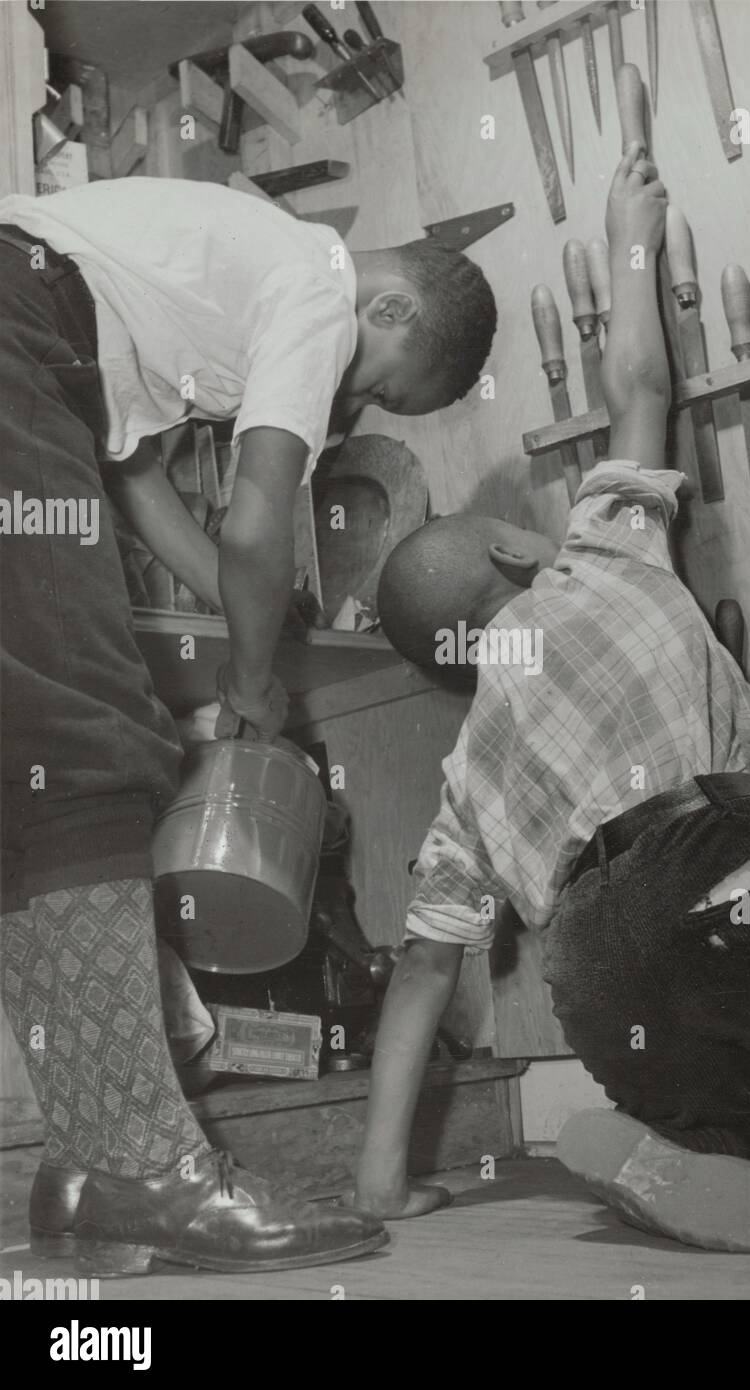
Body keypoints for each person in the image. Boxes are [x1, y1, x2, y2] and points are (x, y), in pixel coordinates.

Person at [349, 146, 750, 1297]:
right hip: (725, 868)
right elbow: (641, 384)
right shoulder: (596, 558)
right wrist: (626, 233)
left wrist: (382, 1181)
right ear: (510, 554)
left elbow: (425, 971)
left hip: (596, 983)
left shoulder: (467, 777)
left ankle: (737, 1169)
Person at [0, 175, 496, 1276]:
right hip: (15, 329)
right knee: (86, 739)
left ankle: (86, 1166)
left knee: (26, 749)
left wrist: (250, 611)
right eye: (376, 387)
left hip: (33, 349)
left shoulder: (194, 290)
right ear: (392, 311)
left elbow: (134, 473)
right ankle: (139, 1165)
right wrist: (259, 679)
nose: (349, 407)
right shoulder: (314, 288)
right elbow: (257, 517)